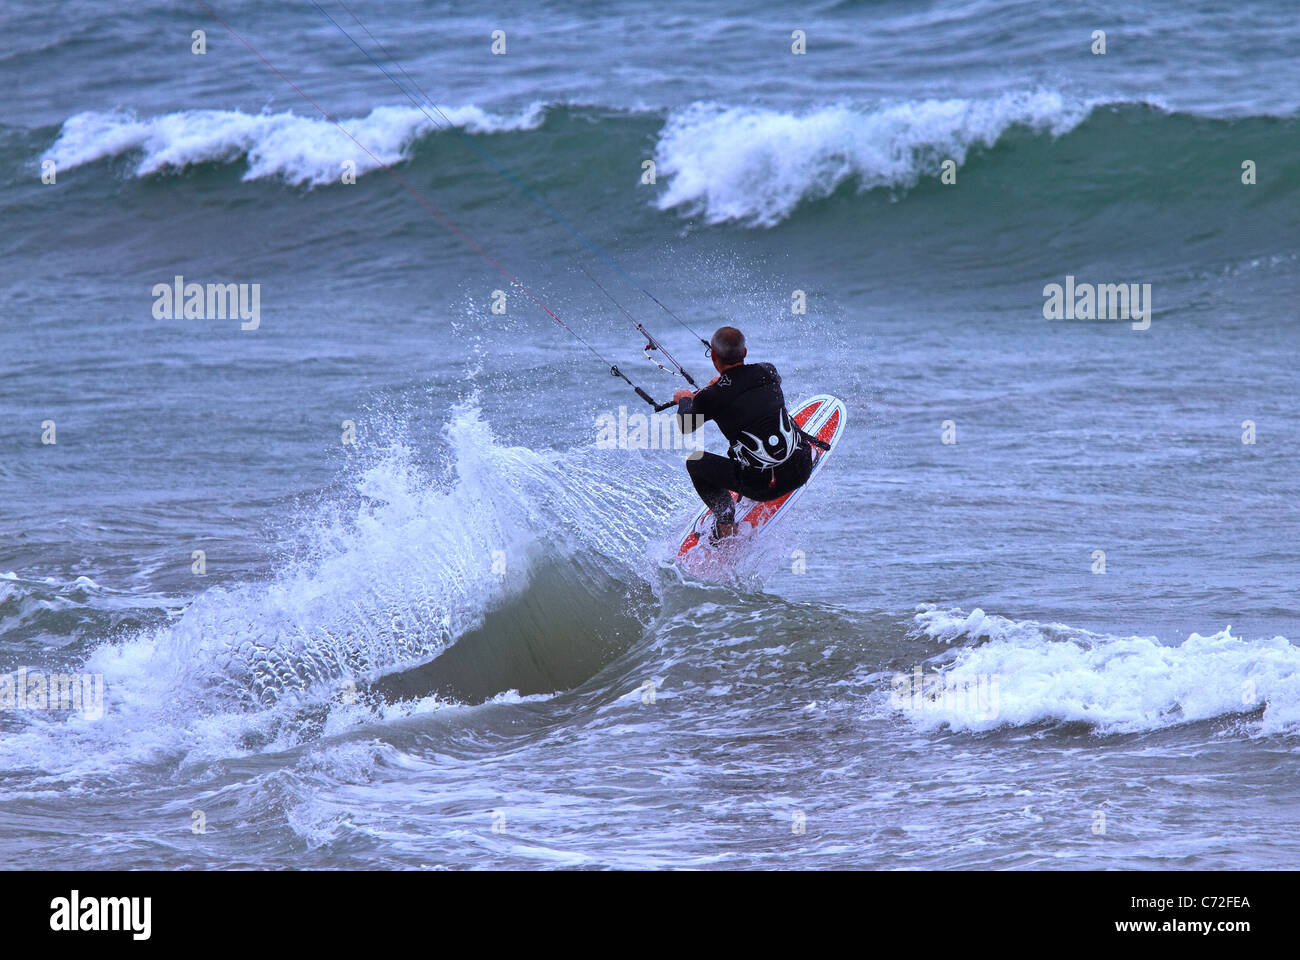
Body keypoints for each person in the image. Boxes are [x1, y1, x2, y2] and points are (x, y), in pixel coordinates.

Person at [673, 326, 815, 540]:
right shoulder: (768, 371)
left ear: (713, 356)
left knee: (695, 462)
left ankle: (726, 522)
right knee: (773, 416)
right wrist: (721, 385)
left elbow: (685, 425)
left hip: (762, 489)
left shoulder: (711, 398)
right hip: (802, 468)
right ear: (745, 352)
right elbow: (747, 392)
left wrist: (685, 399)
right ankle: (803, 452)